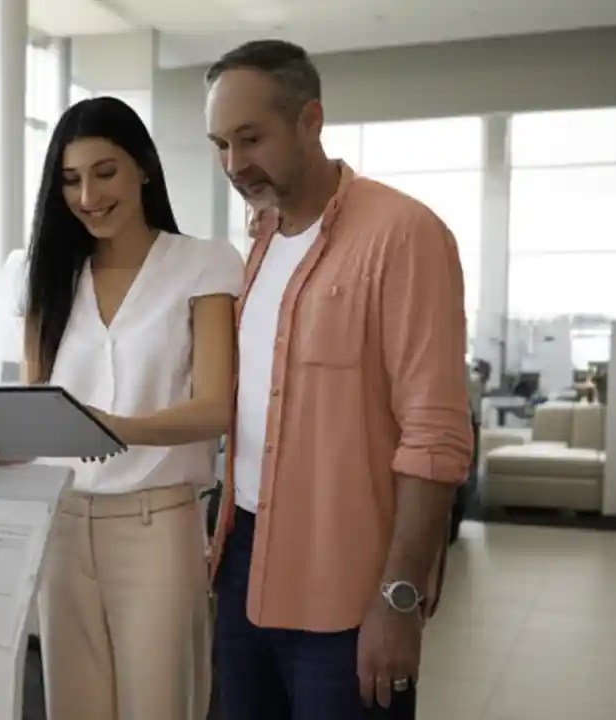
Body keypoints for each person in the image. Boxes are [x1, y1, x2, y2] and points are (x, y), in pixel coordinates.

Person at [0, 96, 244, 720]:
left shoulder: (203, 262)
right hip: (63, 525)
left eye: (106, 172)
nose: (88, 195)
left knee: (159, 706)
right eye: (71, 179)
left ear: (143, 170)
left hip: (158, 526)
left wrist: (113, 428)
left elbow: (215, 408)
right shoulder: (43, 274)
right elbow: (37, 415)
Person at [204, 40, 473, 719]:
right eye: (220, 145)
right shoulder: (260, 240)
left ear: (311, 120)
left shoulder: (403, 234)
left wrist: (399, 599)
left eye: (251, 138)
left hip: (350, 590)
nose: (235, 165)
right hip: (242, 565)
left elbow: (435, 434)